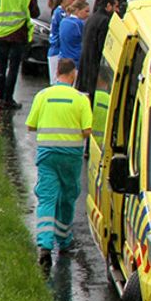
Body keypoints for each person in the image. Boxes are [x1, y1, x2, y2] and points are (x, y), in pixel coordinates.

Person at [27, 57, 93, 276]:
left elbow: (30, 125)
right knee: (67, 196)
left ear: (57, 73)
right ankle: (64, 240)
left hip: (47, 156)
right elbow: (87, 130)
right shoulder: (80, 99)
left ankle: (44, 245)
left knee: (46, 197)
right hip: (71, 157)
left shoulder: (43, 96)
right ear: (73, 74)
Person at [0, 0, 40, 109]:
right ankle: (8, 99)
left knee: (1, 66)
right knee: (13, 68)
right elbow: (35, 13)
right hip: (18, 36)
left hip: (0, 34)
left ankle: (1, 96)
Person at [76, 0, 118, 97]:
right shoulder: (105, 20)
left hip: (85, 60)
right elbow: (102, 45)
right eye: (114, 6)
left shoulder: (92, 18)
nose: (116, 10)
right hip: (95, 64)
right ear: (108, 6)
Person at [47, 0, 78, 82]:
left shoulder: (63, 12)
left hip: (59, 50)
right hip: (56, 50)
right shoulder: (60, 13)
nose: (75, 2)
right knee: (57, 80)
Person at [57, 0, 89, 71]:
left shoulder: (64, 21)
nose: (88, 14)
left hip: (63, 58)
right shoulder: (79, 24)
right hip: (75, 61)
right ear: (78, 10)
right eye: (86, 11)